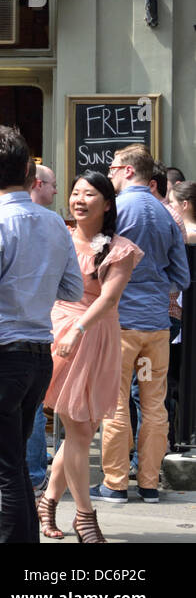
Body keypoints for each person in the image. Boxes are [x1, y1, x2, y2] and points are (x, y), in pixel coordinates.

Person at [0, 126, 83, 543]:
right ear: (30, 171)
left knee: (4, 471)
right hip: (36, 357)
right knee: (14, 468)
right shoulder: (54, 225)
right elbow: (72, 290)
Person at [37, 172, 140, 542]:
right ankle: (85, 517)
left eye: (90, 194)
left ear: (107, 203)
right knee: (79, 429)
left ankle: (47, 501)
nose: (79, 199)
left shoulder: (119, 248)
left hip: (95, 336)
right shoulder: (59, 237)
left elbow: (109, 299)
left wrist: (80, 330)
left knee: (82, 431)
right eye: (76, 192)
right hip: (61, 334)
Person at [94, 145, 189, 503]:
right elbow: (181, 275)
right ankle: (149, 483)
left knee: (116, 403)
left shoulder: (117, 210)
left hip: (120, 324)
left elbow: (98, 265)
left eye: (114, 167)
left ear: (129, 171)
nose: (111, 173)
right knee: (154, 404)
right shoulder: (168, 215)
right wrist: (154, 287)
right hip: (156, 327)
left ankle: (115, 483)